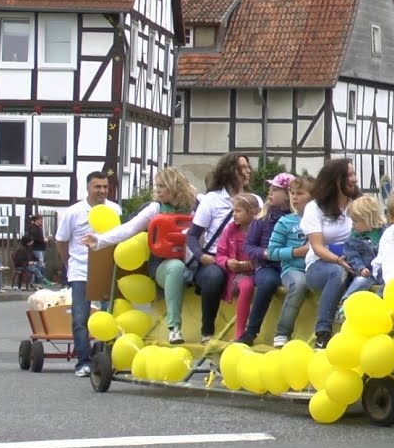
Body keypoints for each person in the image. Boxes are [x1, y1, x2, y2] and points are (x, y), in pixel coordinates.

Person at [82, 167, 197, 344]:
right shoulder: (155, 208)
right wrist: (99, 240)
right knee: (176, 267)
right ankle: (174, 328)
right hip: (163, 266)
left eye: (162, 186)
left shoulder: (196, 206)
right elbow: (130, 228)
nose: (157, 190)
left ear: (175, 187)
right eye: (156, 186)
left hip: (195, 263)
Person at [55, 171, 118, 377]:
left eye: (105, 187)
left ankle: (106, 359)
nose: (101, 191)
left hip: (107, 270)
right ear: (88, 188)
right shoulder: (74, 212)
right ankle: (83, 362)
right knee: (80, 318)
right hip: (81, 270)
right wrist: (69, 264)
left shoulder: (115, 210)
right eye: (97, 187)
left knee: (109, 316)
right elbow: (61, 241)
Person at [187, 152, 251, 344]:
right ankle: (207, 331)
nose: (247, 172)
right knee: (215, 277)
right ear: (229, 171)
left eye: (248, 167)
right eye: (242, 168)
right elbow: (192, 236)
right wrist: (201, 256)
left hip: (245, 260)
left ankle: (247, 333)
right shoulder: (212, 200)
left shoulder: (253, 199)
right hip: (215, 259)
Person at [301, 158, 359, 348]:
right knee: (337, 272)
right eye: (349, 175)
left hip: (356, 260)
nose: (355, 179)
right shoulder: (314, 208)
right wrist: (338, 260)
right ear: (336, 180)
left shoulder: (358, 204)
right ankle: (323, 333)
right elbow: (317, 246)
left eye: (354, 174)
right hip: (320, 265)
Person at [238, 172, 297, 346]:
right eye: (270, 189)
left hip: (291, 265)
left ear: (288, 195)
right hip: (267, 266)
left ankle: (290, 333)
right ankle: (251, 331)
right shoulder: (262, 220)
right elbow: (248, 246)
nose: (269, 193)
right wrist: (263, 253)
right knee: (267, 283)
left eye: (275, 190)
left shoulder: (299, 219)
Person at [267, 175, 315, 347]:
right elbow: (271, 252)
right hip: (293, 270)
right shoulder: (285, 221)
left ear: (313, 196)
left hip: (316, 268)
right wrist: (297, 252)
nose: (294, 197)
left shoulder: (322, 220)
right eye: (292, 193)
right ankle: (282, 333)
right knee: (299, 284)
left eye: (300, 193)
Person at [216, 194, 261, 342]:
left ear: (253, 212)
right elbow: (220, 254)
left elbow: (267, 251)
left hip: (259, 270)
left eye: (238, 211)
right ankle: (240, 332)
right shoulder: (230, 230)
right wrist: (228, 262)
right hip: (238, 275)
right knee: (247, 285)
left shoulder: (261, 230)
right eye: (233, 211)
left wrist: (253, 264)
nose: (234, 214)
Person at [341, 195, 385, 302]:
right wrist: (360, 268)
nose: (353, 224)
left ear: (369, 219)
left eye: (356, 221)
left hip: (384, 270)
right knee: (360, 282)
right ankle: (346, 303)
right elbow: (353, 257)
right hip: (367, 273)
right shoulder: (352, 239)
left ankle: (379, 301)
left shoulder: (386, 233)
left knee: (393, 278)